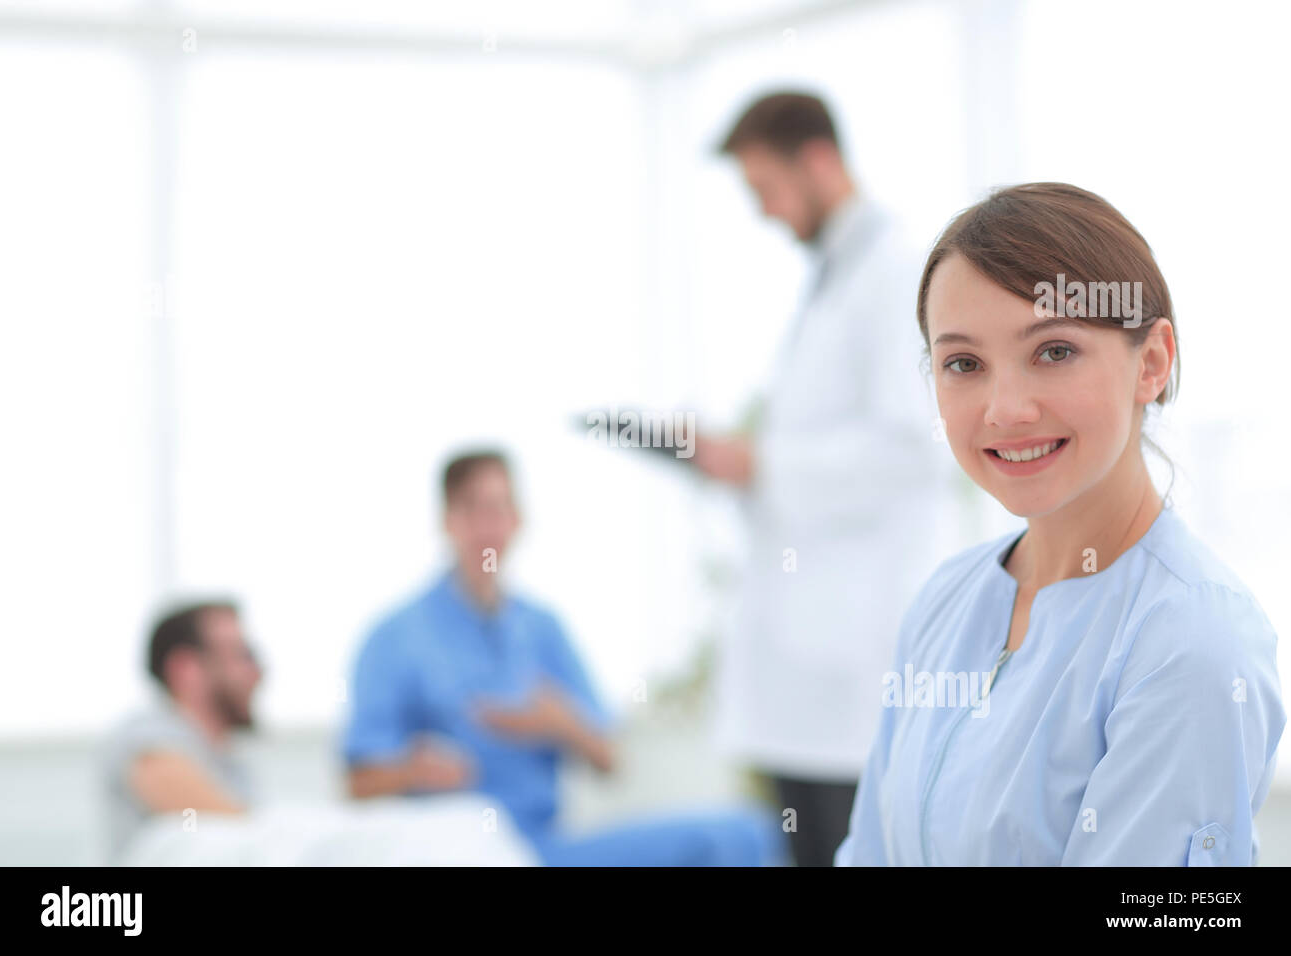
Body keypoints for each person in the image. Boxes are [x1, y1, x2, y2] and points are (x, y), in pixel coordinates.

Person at [835, 182, 1286, 866]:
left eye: (1054, 351)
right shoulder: (943, 602)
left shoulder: (1190, 643)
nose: (1005, 408)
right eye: (963, 363)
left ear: (1152, 363)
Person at [695, 91, 952, 865]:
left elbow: (915, 450)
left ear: (817, 160)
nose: (764, 213)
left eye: (765, 189)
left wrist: (762, 464)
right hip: (801, 665)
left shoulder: (895, 270)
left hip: (853, 656)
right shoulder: (833, 281)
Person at [342, 450, 784, 866]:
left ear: (518, 520)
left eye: (499, 509)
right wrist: (412, 771)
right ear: (447, 522)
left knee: (744, 834)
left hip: (542, 848)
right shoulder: (394, 638)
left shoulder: (542, 628)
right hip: (459, 850)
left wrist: (561, 724)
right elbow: (357, 784)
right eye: (473, 510)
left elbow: (610, 760)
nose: (488, 528)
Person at [100, 601, 259, 861]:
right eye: (241, 655)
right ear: (185, 668)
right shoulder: (146, 737)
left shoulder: (232, 762)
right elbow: (234, 832)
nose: (256, 671)